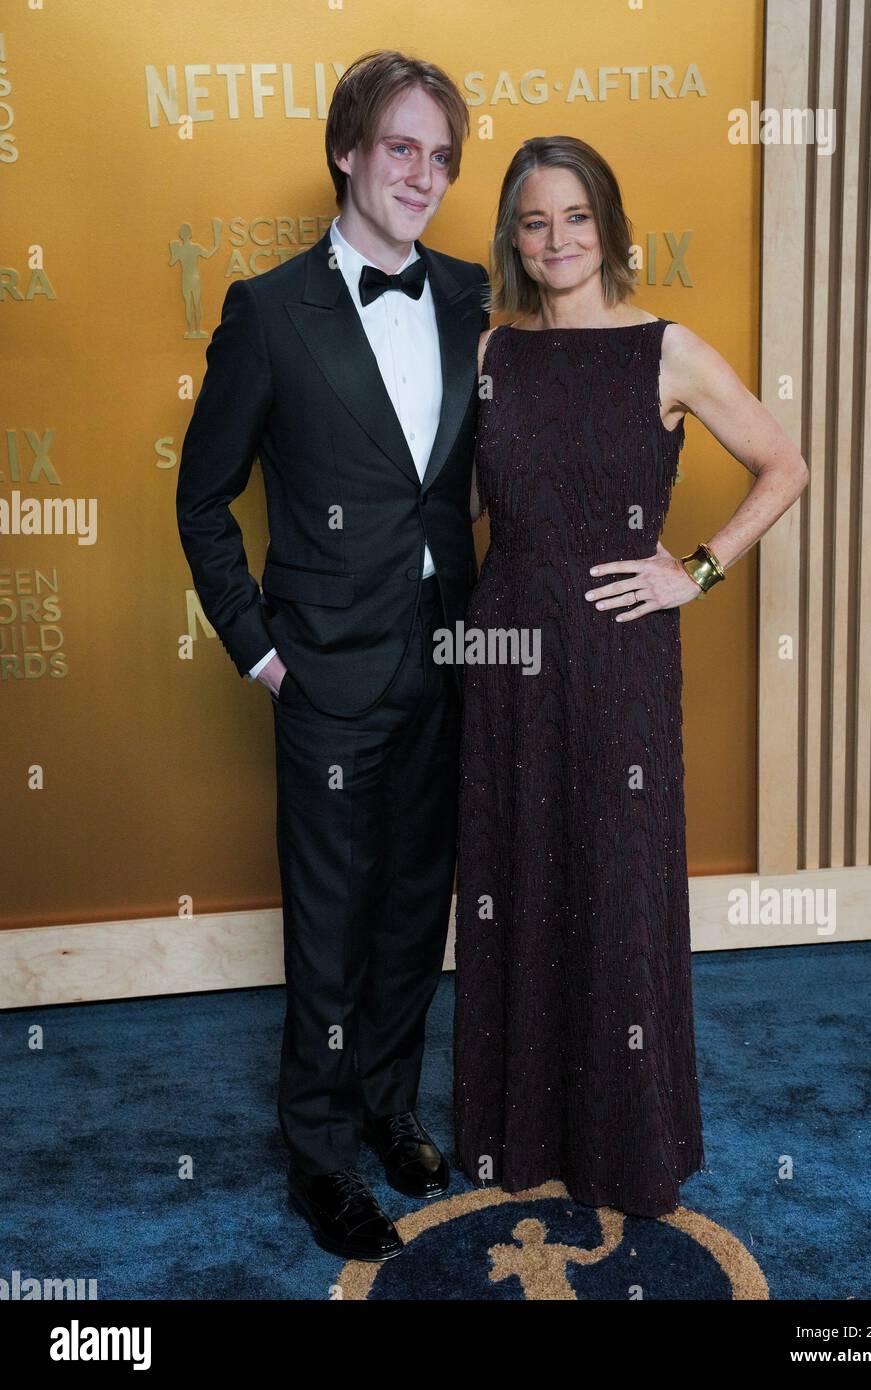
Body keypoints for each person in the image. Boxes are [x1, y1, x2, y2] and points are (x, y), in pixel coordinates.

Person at [453, 135, 809, 1218]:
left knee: (615, 883)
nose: (556, 239)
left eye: (575, 216)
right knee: (515, 881)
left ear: (607, 222)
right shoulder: (491, 355)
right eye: (532, 220)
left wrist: (694, 569)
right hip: (506, 649)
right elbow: (460, 505)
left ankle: (625, 1140)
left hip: (619, 653)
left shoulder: (667, 350)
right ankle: (519, 1131)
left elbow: (784, 464)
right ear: (513, 237)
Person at [176, 49, 489, 1262]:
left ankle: (388, 1106)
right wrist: (260, 653)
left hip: (446, 660)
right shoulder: (267, 310)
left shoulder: (468, 295)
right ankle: (320, 1159)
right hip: (323, 676)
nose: (423, 173)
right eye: (400, 147)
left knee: (416, 909)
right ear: (348, 152)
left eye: (441, 155)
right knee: (330, 924)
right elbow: (204, 501)